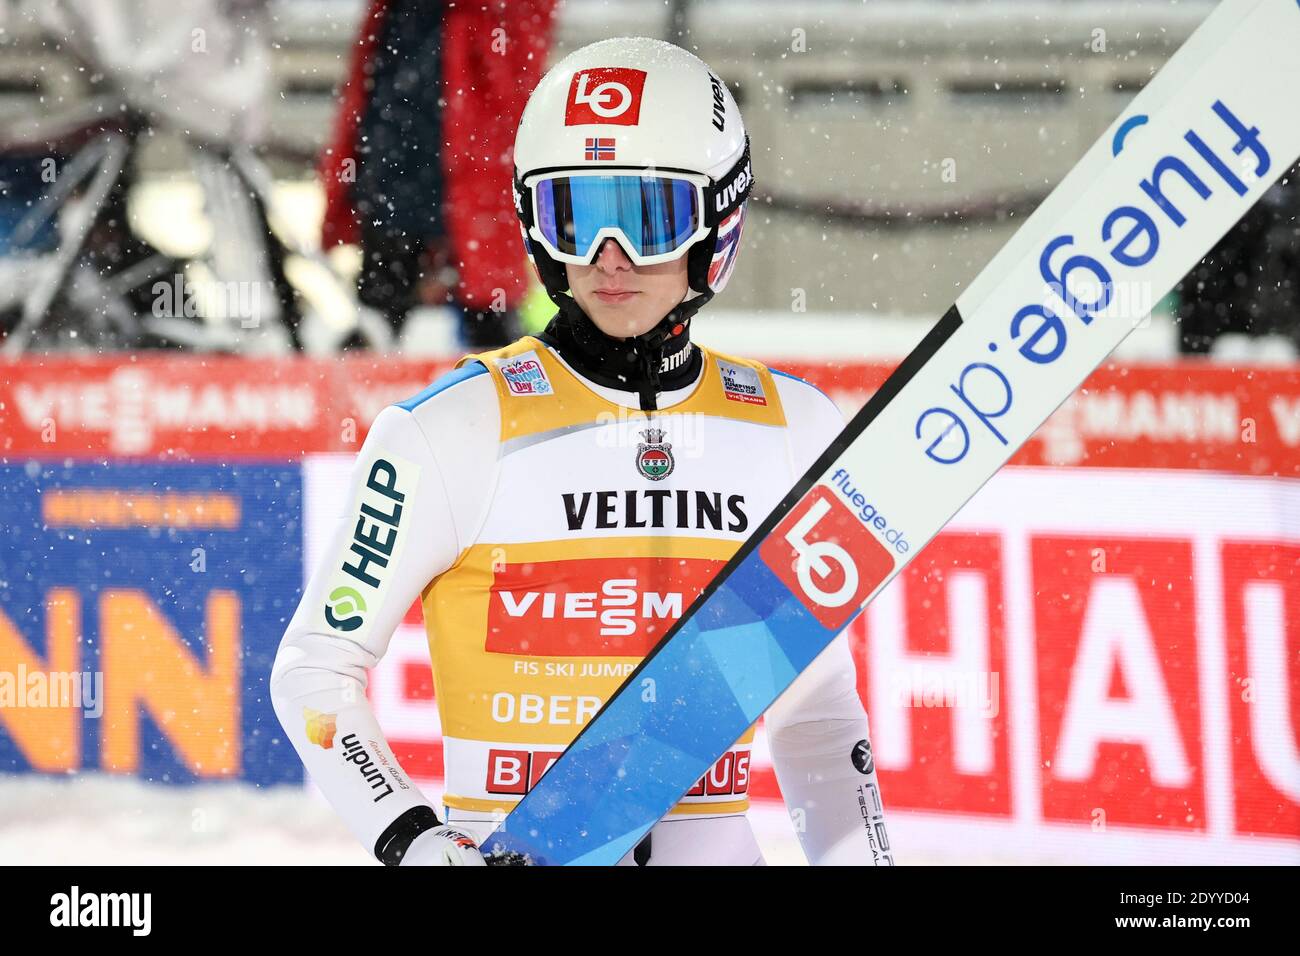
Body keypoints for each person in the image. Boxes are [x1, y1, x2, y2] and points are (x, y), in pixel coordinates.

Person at [272, 37, 879, 866]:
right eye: (576, 215)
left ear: (720, 223)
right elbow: (313, 671)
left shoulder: (790, 428)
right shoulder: (448, 430)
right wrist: (412, 838)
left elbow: (816, 716)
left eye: (647, 217)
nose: (608, 259)